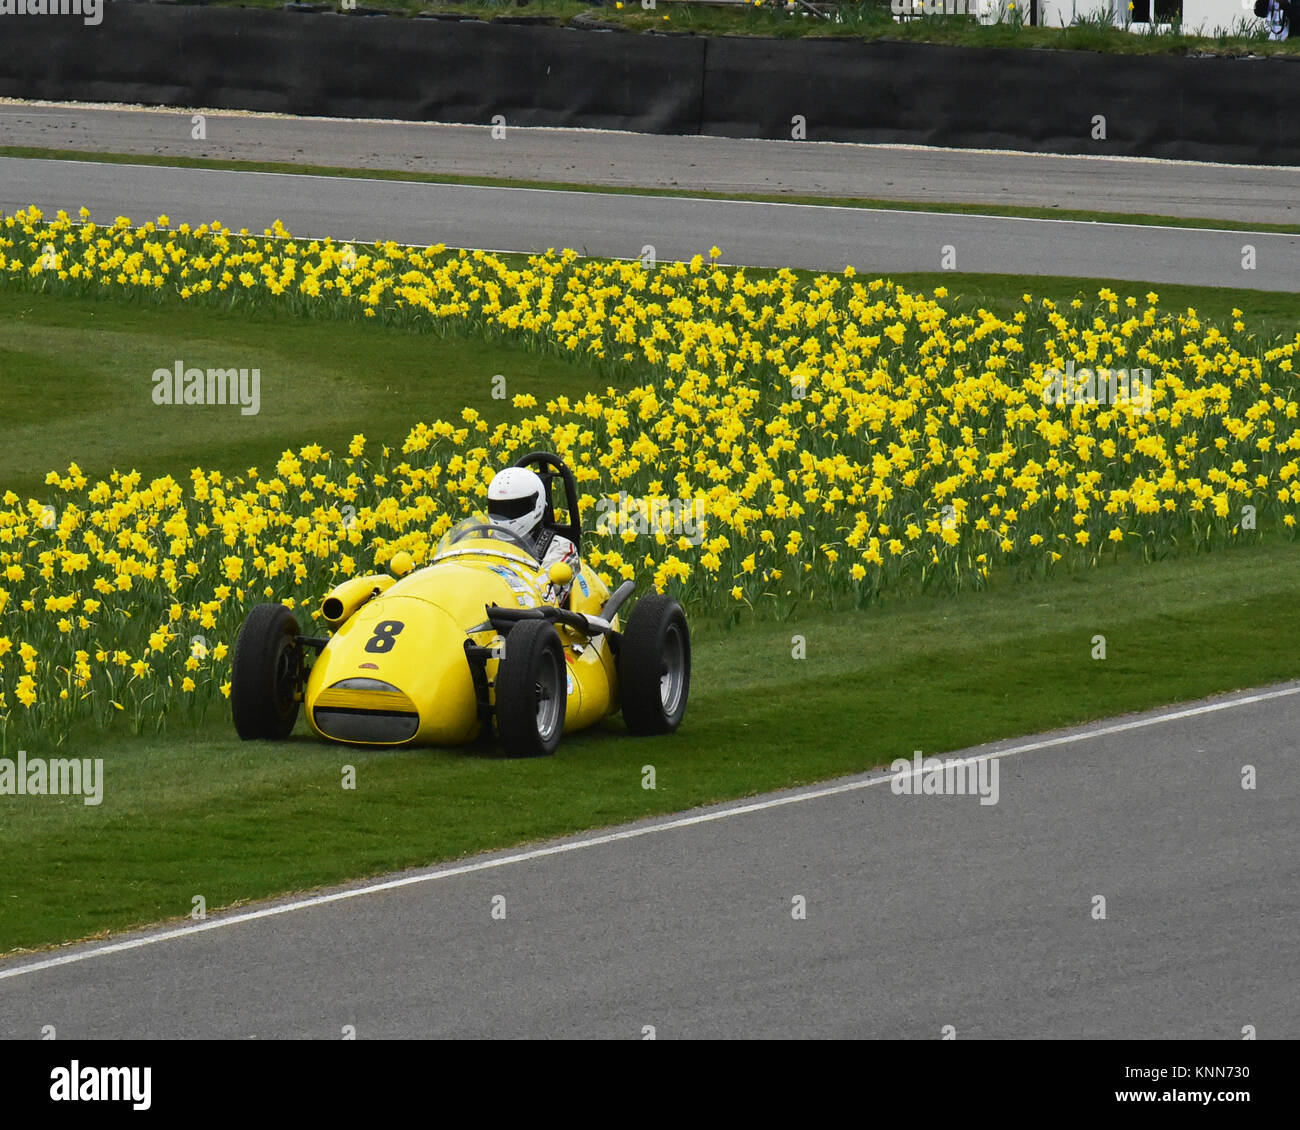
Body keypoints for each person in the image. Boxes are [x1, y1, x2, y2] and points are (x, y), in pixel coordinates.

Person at [486, 466, 580, 605]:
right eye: (498, 509)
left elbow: (545, 599)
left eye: (515, 508)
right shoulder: (483, 543)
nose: (505, 516)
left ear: (538, 504)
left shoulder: (560, 548)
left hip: (536, 620)